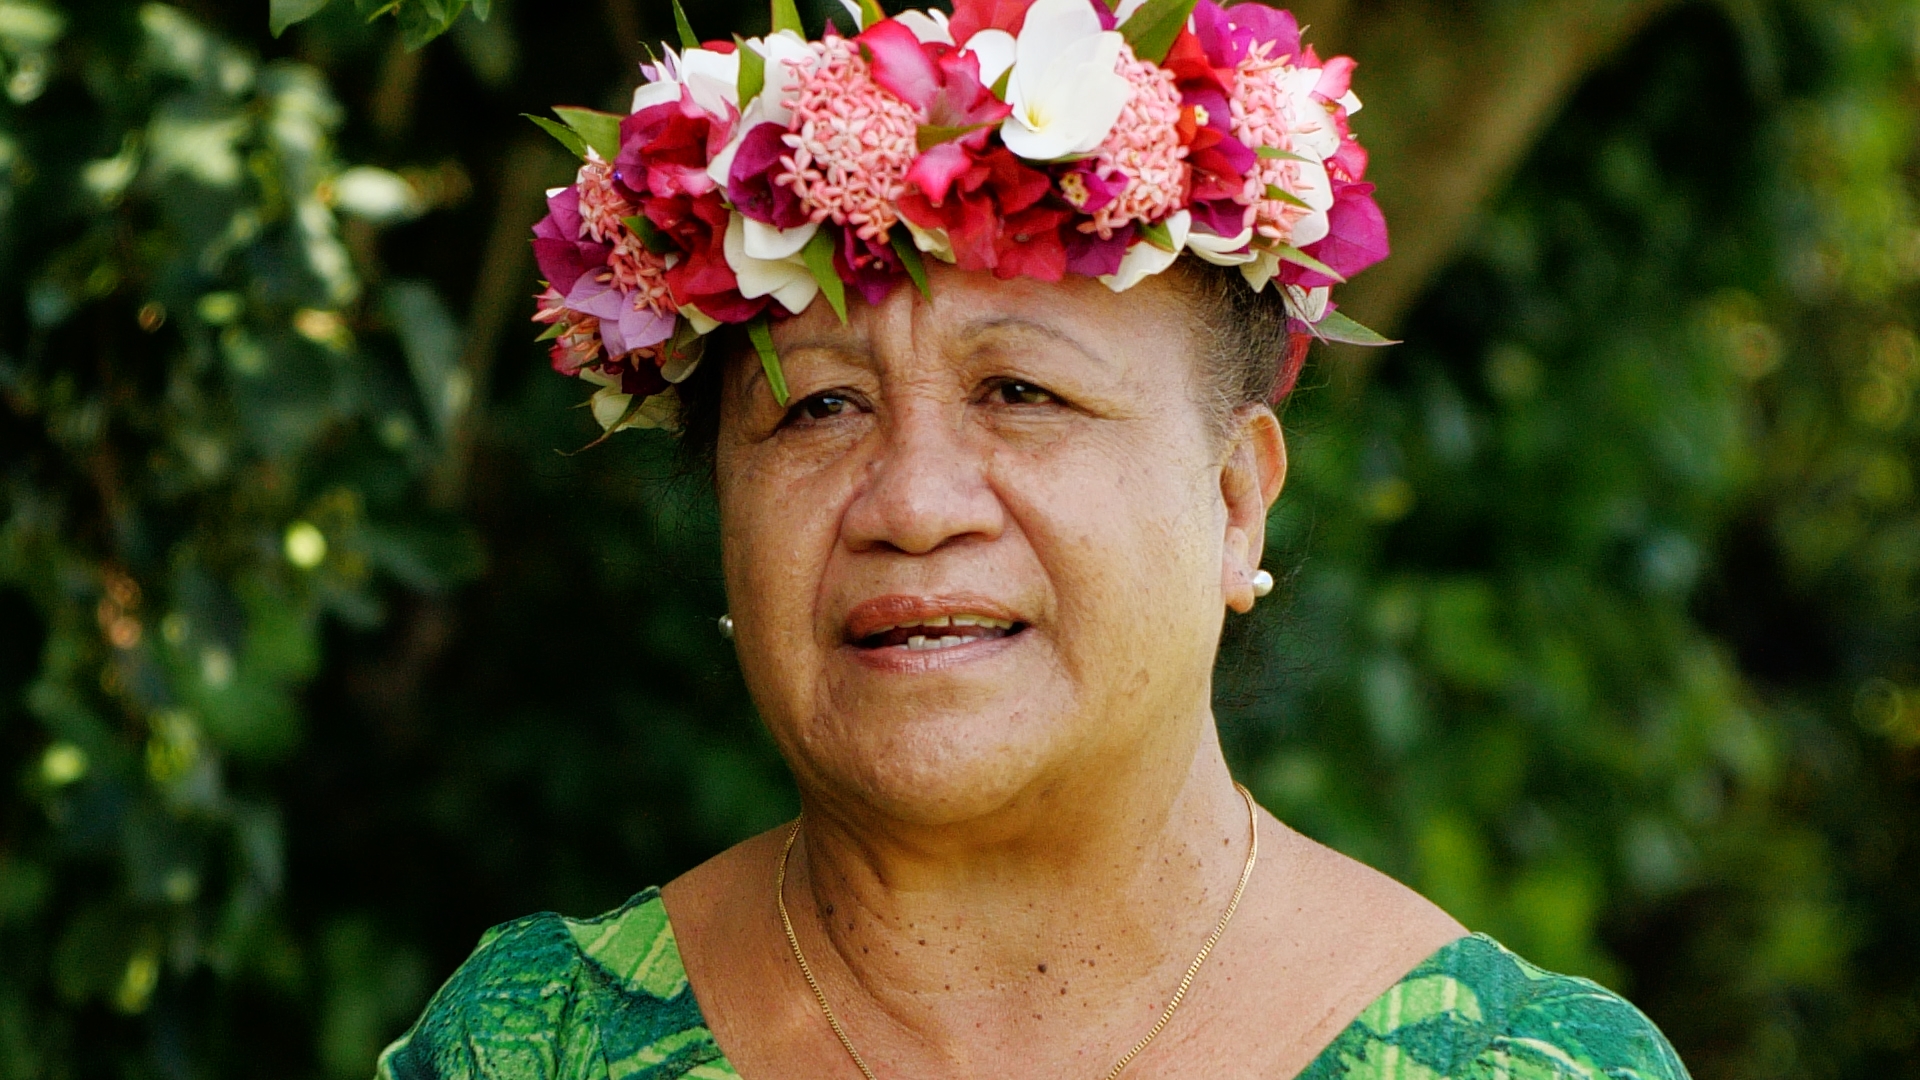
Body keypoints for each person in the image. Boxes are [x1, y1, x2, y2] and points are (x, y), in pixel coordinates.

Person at [378, 1, 1691, 1077]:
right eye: (822, 405)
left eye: (1022, 392)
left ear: (1237, 502)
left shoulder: (1521, 1065)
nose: (910, 504)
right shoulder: (531, 1042)